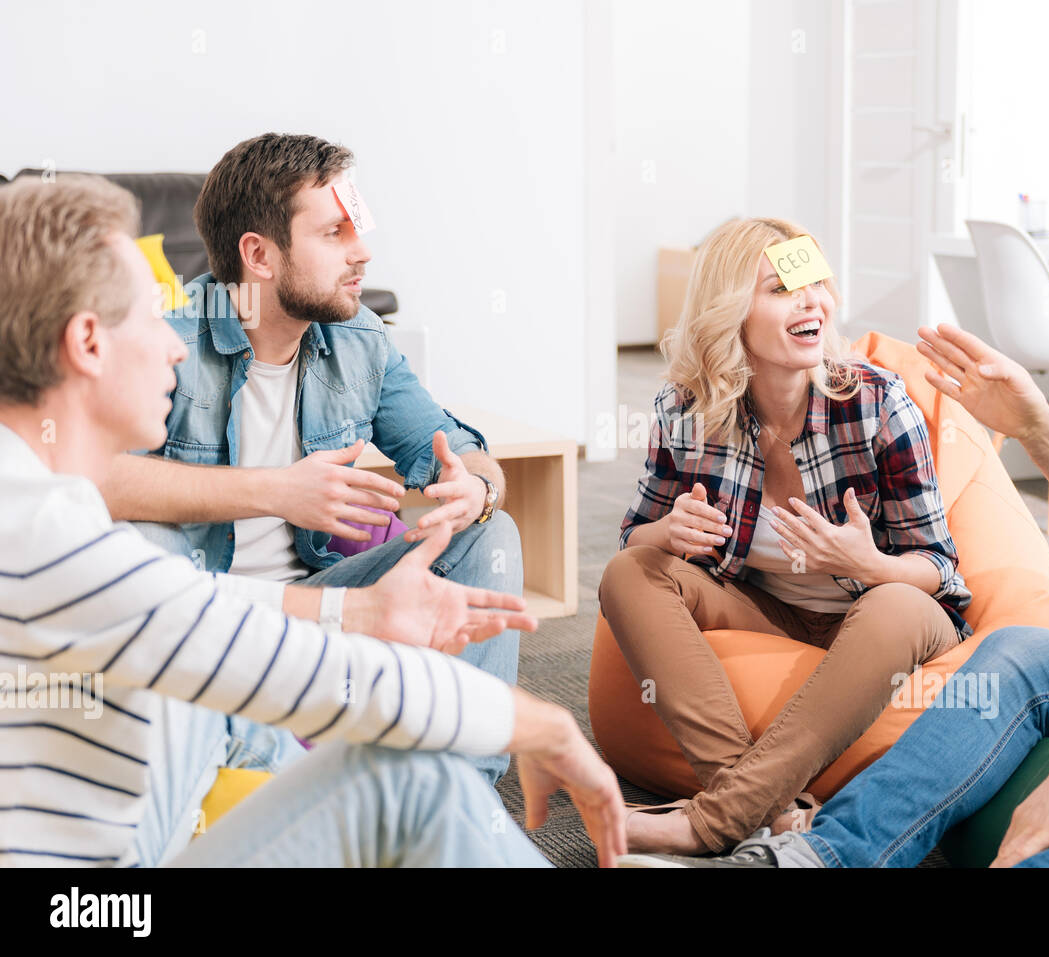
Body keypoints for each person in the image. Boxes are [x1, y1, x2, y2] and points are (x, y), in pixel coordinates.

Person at [628, 215, 1049, 868]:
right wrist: (1036, 422)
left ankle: (729, 825)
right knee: (1016, 651)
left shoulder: (873, 402)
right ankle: (812, 852)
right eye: (782, 288)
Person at [0, 174, 626, 868]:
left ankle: (461, 815)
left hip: (161, 770)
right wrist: (537, 722)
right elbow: (243, 639)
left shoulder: (31, 499)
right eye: (148, 316)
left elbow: (202, 615)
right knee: (409, 779)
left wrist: (460, 500)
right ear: (87, 342)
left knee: (390, 751)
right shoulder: (41, 533)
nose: (170, 344)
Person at [98, 133, 520, 786]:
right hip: (208, 619)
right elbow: (98, 482)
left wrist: (474, 488)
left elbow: (459, 450)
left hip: (328, 611)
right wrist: (276, 491)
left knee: (491, 530)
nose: (363, 252)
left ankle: (468, 797)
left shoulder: (357, 339)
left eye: (358, 229)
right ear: (259, 255)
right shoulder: (167, 338)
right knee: (148, 545)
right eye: (334, 233)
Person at [599, 217, 973, 856]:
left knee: (896, 602)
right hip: (769, 612)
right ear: (729, 314)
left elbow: (940, 569)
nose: (813, 303)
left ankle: (714, 821)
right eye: (782, 289)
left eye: (818, 285)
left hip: (886, 618)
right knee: (628, 574)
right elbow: (635, 537)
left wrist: (870, 563)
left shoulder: (878, 404)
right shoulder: (687, 411)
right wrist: (665, 531)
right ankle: (769, 812)